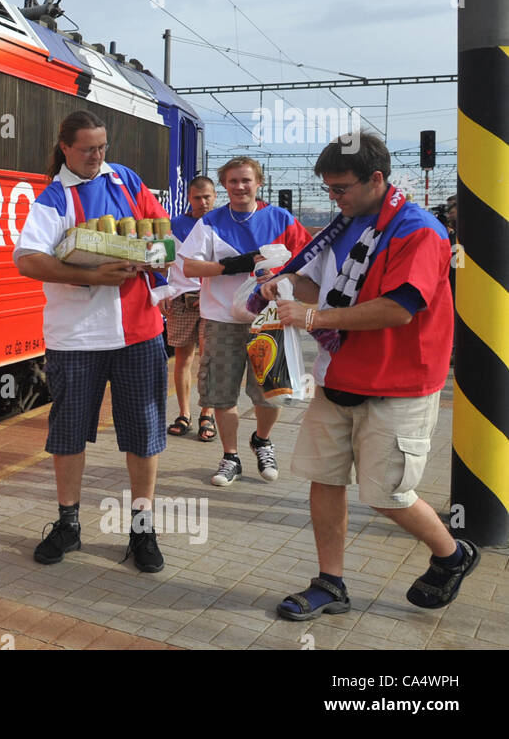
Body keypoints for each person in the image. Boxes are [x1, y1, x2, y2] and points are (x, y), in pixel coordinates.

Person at [257, 133, 477, 620]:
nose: (333, 199)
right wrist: (290, 282)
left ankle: (452, 554)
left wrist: (313, 319)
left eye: (340, 189)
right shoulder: (344, 226)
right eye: (329, 189)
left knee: (385, 495)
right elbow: (325, 288)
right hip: (339, 374)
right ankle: (329, 583)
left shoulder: (416, 230)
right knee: (323, 477)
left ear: (376, 179)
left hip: (397, 382)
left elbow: (399, 308)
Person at [13, 110, 170, 572]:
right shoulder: (53, 197)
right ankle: (68, 524)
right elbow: (27, 259)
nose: (98, 157)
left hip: (138, 330)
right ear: (65, 148)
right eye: (88, 149)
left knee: (144, 434)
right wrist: (90, 274)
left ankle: (142, 528)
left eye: (103, 147)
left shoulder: (125, 180)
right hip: (76, 337)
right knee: (68, 435)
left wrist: (145, 257)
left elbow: (162, 239)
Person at [179, 157, 312, 486]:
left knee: (271, 392)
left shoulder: (279, 218)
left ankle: (262, 440)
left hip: (268, 320)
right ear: (224, 185)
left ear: (259, 183)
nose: (240, 187)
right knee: (222, 395)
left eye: (246, 180)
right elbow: (190, 268)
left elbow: (308, 259)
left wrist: (283, 277)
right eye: (233, 181)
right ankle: (231, 456)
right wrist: (232, 265)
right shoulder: (210, 223)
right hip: (221, 319)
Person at [163, 176, 217, 441]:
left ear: (215, 197)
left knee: (208, 360)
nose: (202, 202)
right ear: (189, 198)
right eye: (197, 197)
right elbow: (161, 261)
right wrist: (162, 289)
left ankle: (207, 414)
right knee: (183, 360)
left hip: (213, 301)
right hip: (182, 301)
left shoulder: (222, 225)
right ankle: (184, 414)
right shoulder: (173, 226)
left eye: (207, 197)